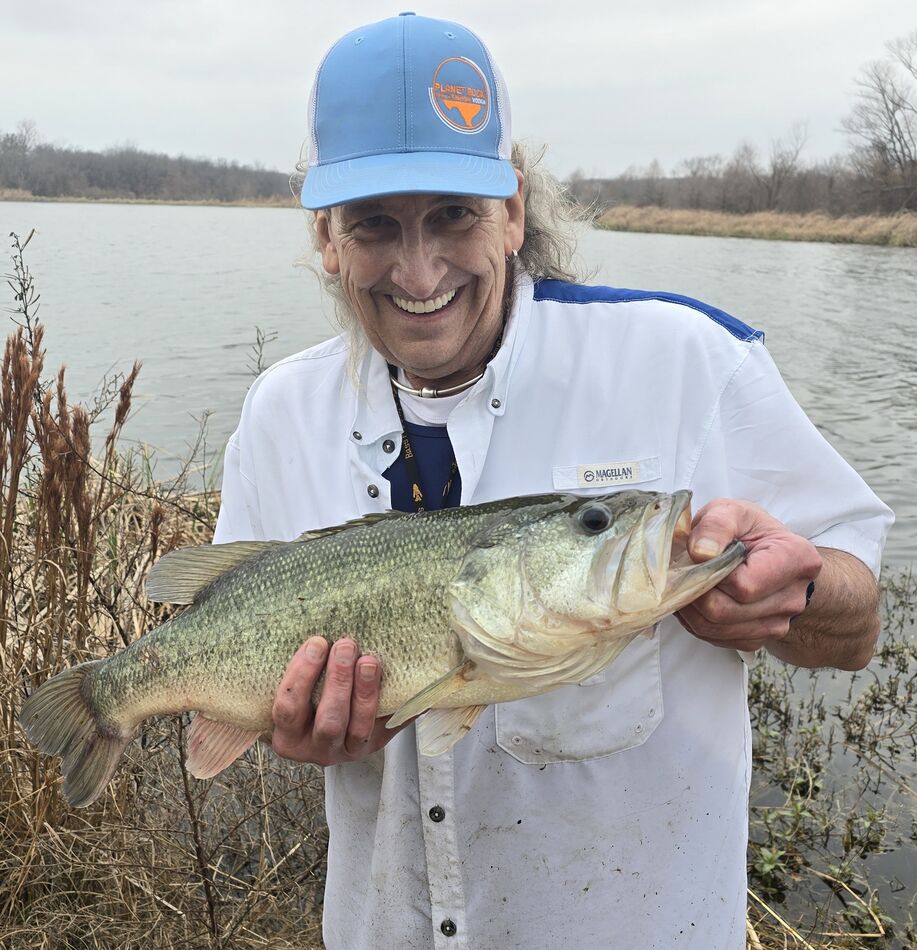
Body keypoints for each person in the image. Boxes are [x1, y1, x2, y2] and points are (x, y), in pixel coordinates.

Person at [213, 13, 893, 949]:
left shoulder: (687, 362)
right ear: (326, 237)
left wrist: (799, 591)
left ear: (513, 212)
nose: (419, 269)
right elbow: (242, 657)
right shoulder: (280, 413)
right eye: (374, 224)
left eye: (453, 214)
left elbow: (857, 630)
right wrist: (291, 723)